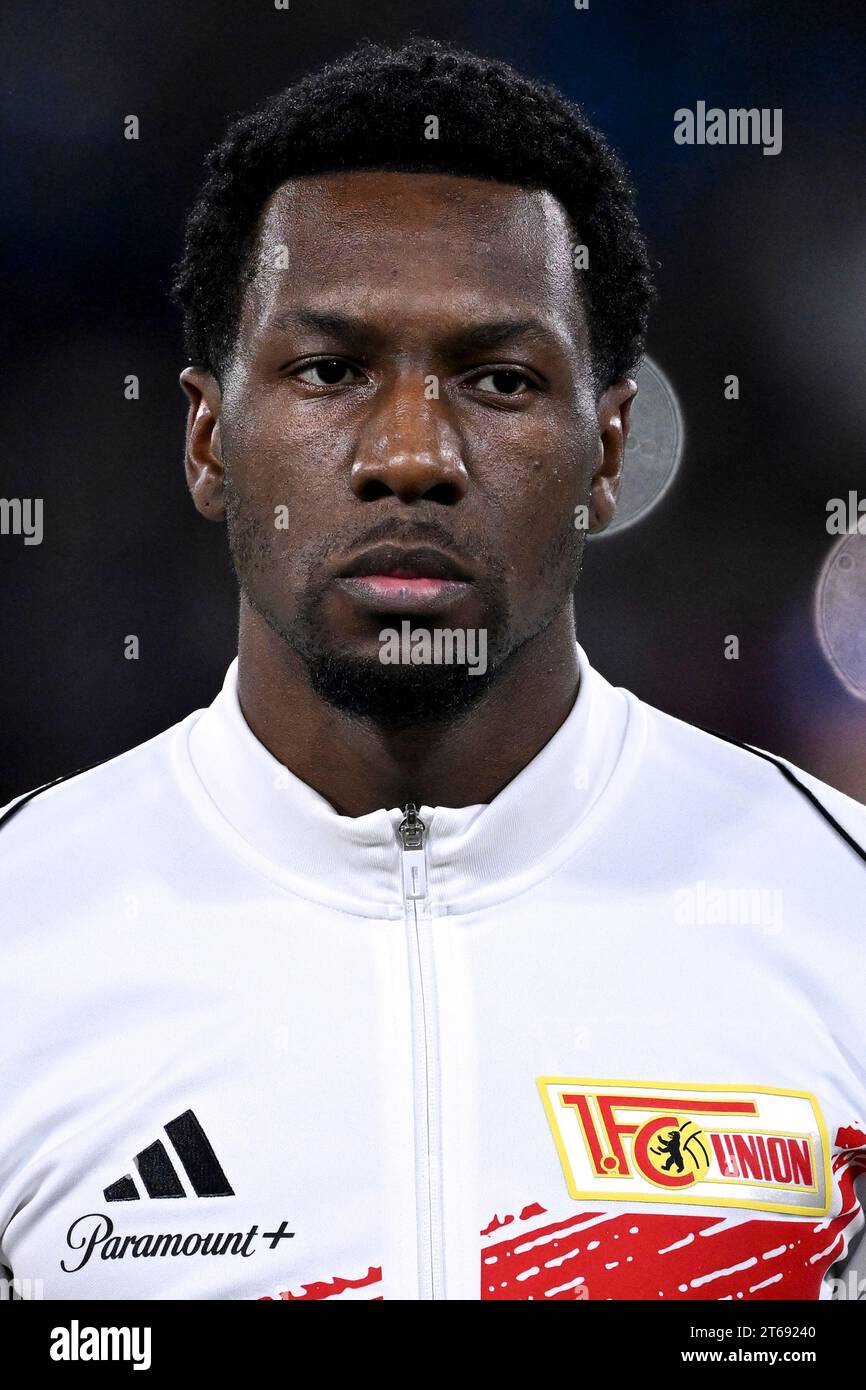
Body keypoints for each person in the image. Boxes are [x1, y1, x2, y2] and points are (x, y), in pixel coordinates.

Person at [1, 37, 864, 1303]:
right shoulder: (24, 929)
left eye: (500, 380)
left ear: (608, 449)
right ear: (206, 438)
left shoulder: (836, 915)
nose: (411, 453)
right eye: (330, 371)